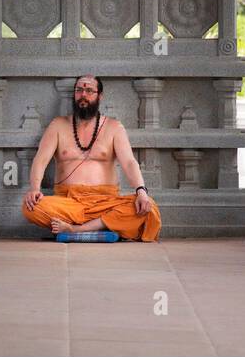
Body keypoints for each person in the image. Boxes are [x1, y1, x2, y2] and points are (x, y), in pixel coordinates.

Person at [20, 75, 161, 241]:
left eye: (89, 91)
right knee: (30, 207)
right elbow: (40, 160)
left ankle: (74, 229)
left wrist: (141, 191)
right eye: (79, 90)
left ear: (99, 96)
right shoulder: (58, 125)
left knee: (148, 207)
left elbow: (129, 162)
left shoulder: (114, 127)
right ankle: (103, 226)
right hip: (68, 203)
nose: (83, 95)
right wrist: (35, 189)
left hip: (105, 201)